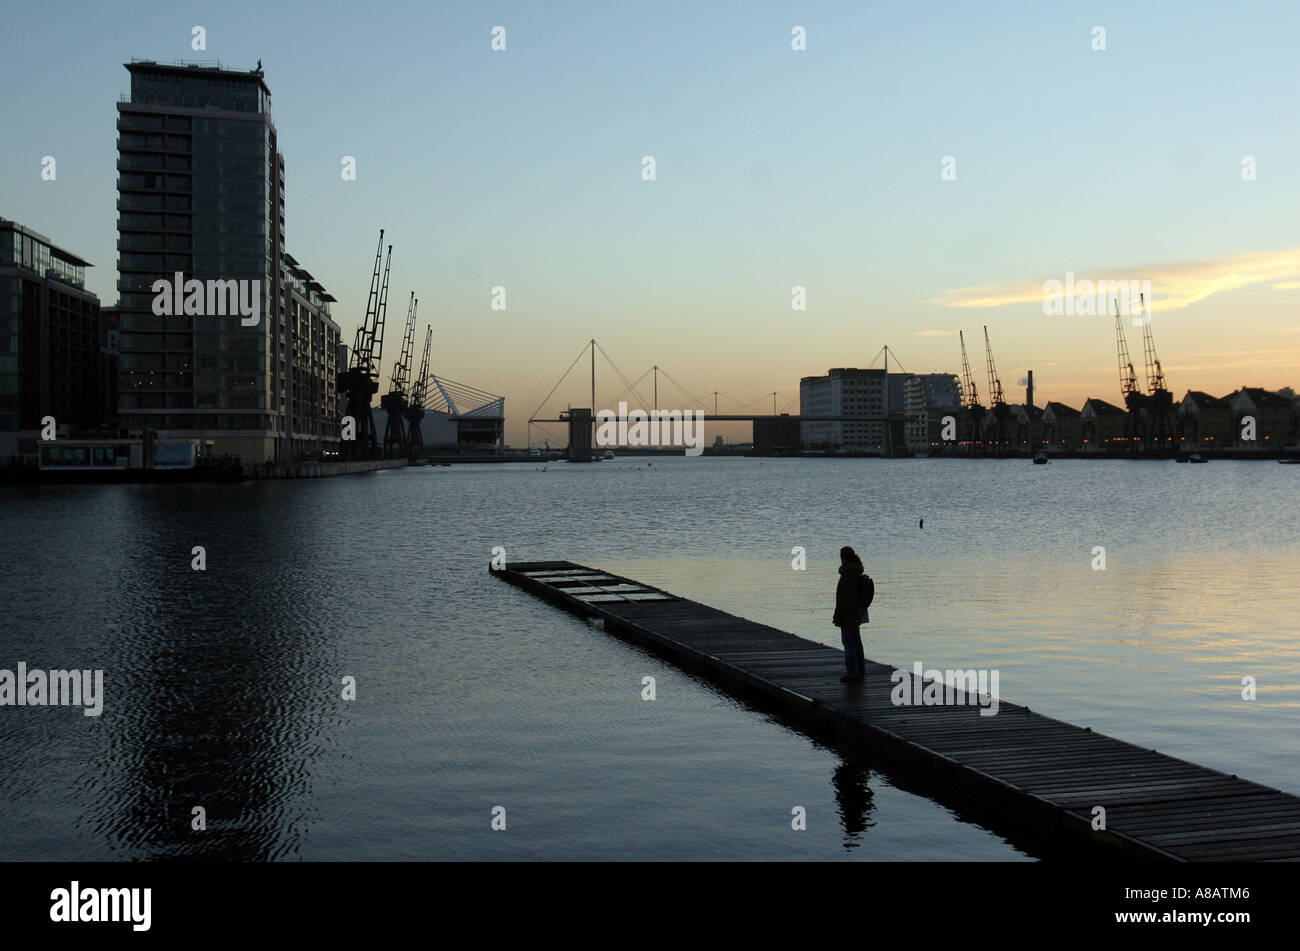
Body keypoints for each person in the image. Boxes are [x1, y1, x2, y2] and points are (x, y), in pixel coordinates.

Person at [833, 546, 873, 683]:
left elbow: (844, 596)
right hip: (857, 612)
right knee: (856, 641)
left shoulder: (848, 573)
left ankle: (852, 672)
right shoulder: (856, 571)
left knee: (848, 642)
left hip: (848, 613)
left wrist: (840, 614)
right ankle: (860, 671)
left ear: (843, 557)